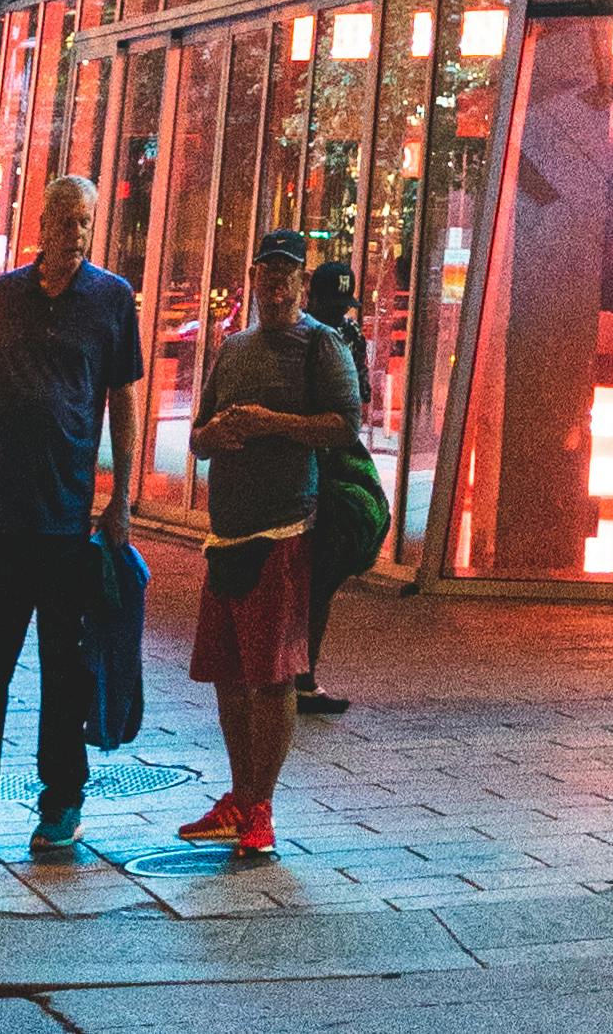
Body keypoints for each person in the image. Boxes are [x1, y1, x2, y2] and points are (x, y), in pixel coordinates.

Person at [0, 168, 143, 860]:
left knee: (64, 669)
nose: (75, 231)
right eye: (64, 219)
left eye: (85, 221)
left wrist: (121, 497)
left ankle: (61, 801)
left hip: (65, 519)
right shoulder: (2, 295)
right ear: (41, 223)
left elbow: (123, 402)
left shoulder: (111, 299)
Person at [181, 224, 365, 857]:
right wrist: (214, 437)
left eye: (287, 275)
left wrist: (272, 423)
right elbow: (198, 434)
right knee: (228, 675)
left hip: (284, 531)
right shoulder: (233, 349)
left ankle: (261, 806)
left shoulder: (321, 345)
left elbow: (345, 425)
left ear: (302, 282)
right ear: (254, 279)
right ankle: (239, 797)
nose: (276, 285)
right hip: (226, 533)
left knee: (272, 677)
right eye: (267, 273)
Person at [294, 253, 381, 719]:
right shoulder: (311, 336)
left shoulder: (337, 335)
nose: (340, 316)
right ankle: (296, 675)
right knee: (309, 574)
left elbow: (358, 402)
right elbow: (358, 400)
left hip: (324, 463)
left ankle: (302, 675)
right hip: (307, 463)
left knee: (320, 573)